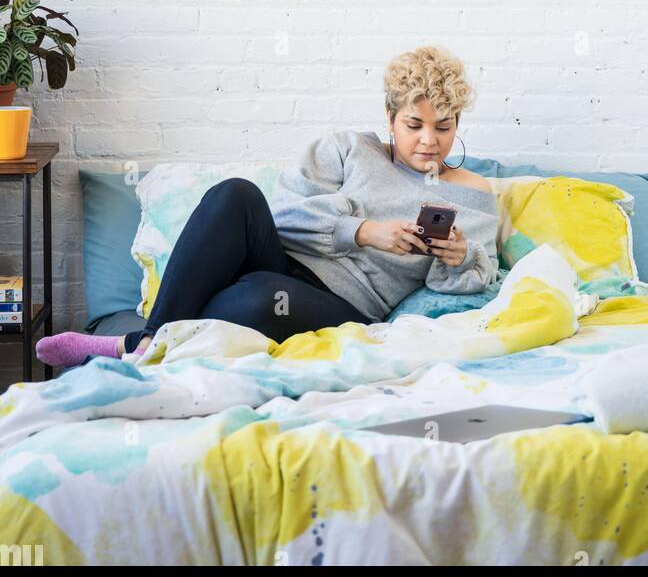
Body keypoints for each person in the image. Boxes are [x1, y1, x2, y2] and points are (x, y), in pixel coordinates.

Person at [35, 45, 499, 369]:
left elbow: (475, 279)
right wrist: (362, 231)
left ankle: (134, 345)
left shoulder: (473, 193)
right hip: (280, 260)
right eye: (413, 124)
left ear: (457, 122)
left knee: (256, 295)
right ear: (389, 118)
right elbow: (283, 218)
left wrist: (459, 259)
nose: (428, 140)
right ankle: (149, 341)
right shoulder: (347, 149)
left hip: (344, 305)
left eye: (443, 126)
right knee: (236, 194)